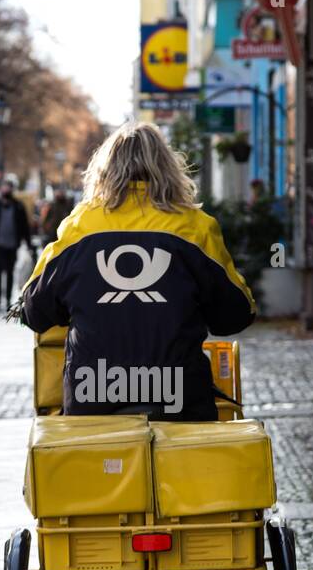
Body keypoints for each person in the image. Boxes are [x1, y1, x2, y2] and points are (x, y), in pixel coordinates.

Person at [20, 121, 256, 421]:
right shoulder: (195, 227)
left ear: (103, 172)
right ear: (168, 167)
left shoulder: (79, 227)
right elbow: (236, 315)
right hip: (177, 397)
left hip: (93, 396)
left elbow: (33, 313)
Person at [0, 180, 33, 309]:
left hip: (12, 245)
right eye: (4, 187)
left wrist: (28, 244)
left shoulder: (18, 206)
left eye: (8, 188)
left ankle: (8, 297)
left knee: (10, 271)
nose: (6, 190)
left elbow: (24, 227)